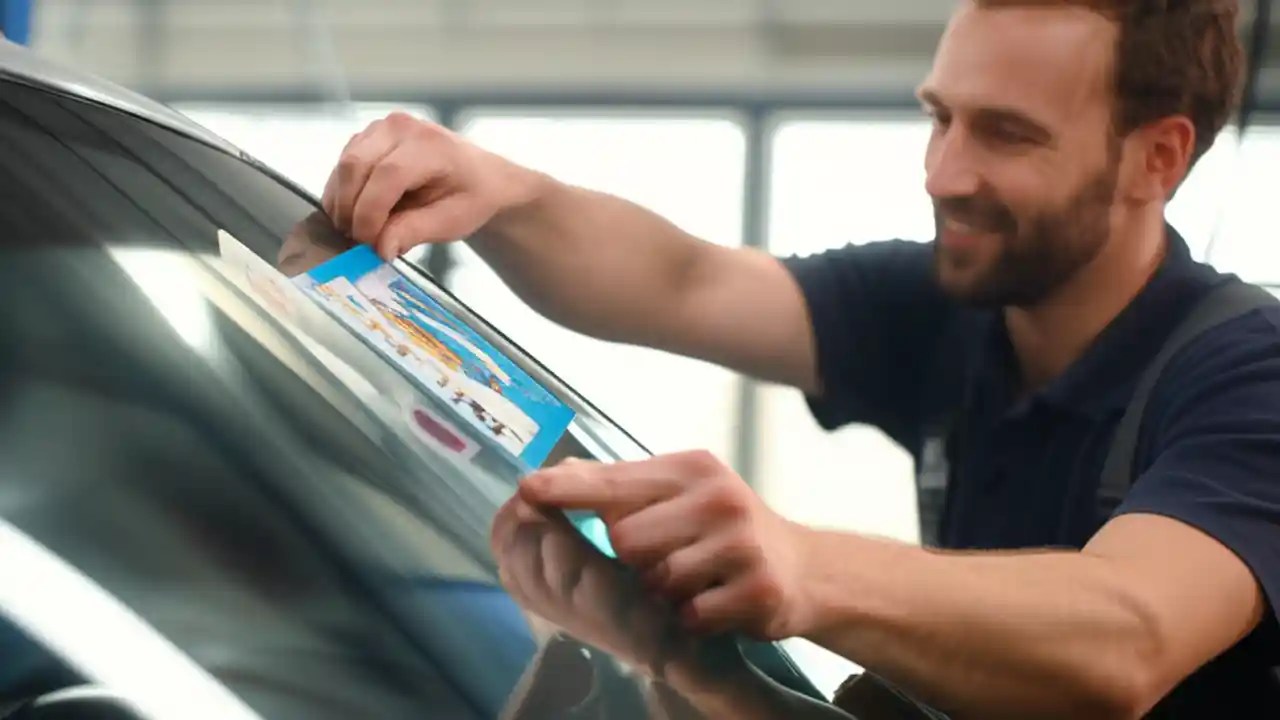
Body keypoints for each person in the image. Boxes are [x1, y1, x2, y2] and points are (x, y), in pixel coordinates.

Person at [323, 1, 1280, 717]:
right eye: (940, 117)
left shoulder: (1249, 375)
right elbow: (683, 282)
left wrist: (802, 567)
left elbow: (1130, 633)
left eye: (1007, 134)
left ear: (1158, 157)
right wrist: (506, 193)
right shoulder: (947, 307)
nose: (942, 173)